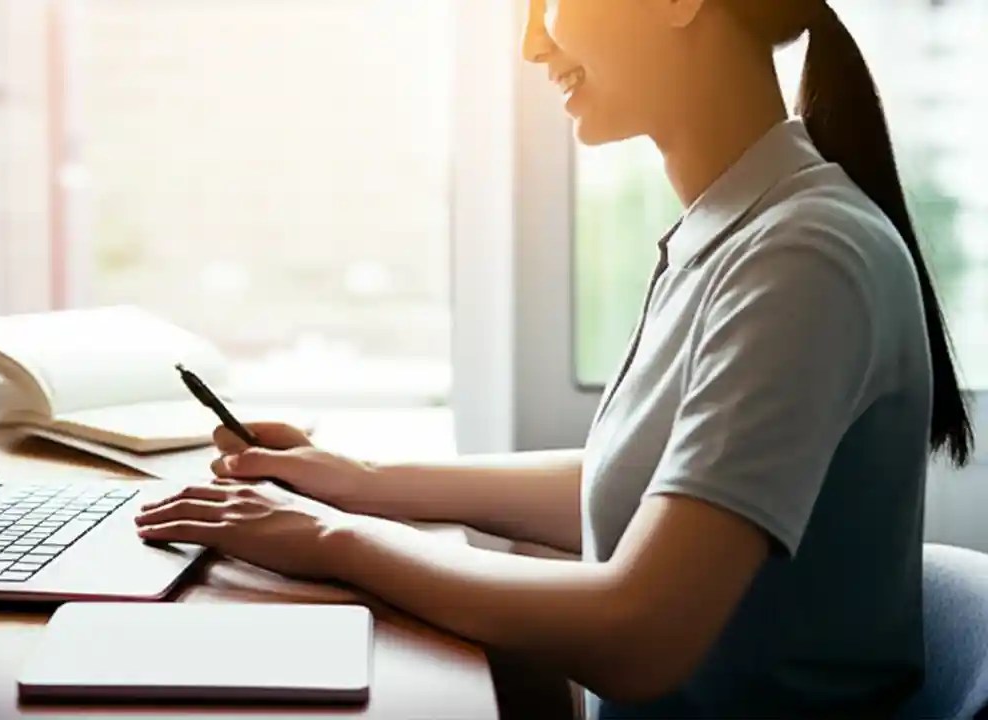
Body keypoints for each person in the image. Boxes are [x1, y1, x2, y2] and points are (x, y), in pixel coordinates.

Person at [135, 0, 975, 717]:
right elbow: (650, 489)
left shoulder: (804, 258)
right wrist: (360, 479)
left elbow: (637, 631)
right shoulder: (741, 234)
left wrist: (328, 537)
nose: (533, 42)